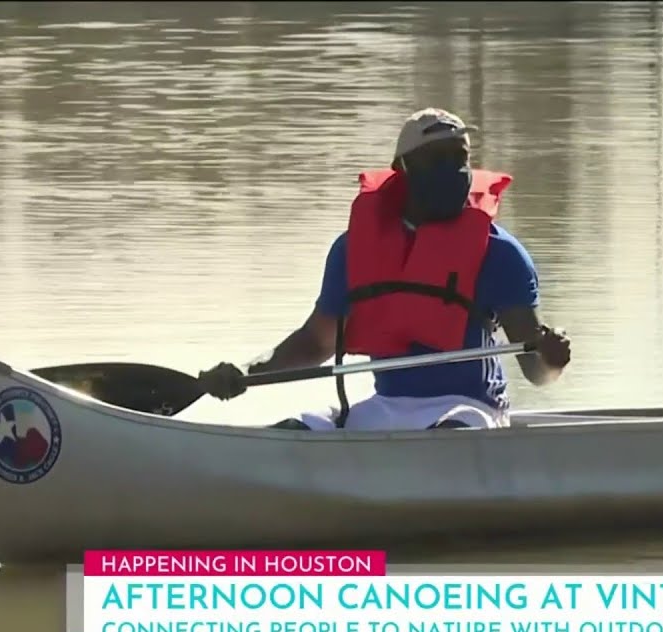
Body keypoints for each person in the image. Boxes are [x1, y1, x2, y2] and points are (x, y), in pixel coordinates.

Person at [197, 107, 571, 430]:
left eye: (459, 158)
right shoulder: (352, 250)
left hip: (471, 412)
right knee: (299, 427)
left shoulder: (499, 252)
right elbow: (315, 342)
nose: (452, 170)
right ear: (402, 169)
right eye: (435, 159)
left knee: (455, 433)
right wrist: (246, 373)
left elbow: (536, 368)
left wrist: (550, 359)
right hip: (386, 408)